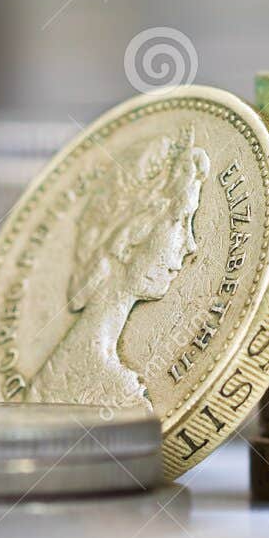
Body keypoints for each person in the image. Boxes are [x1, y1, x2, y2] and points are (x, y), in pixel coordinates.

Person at [27, 125, 212, 408]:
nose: (191, 245)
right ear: (128, 236)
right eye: (180, 220)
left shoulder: (54, 372)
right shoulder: (121, 396)